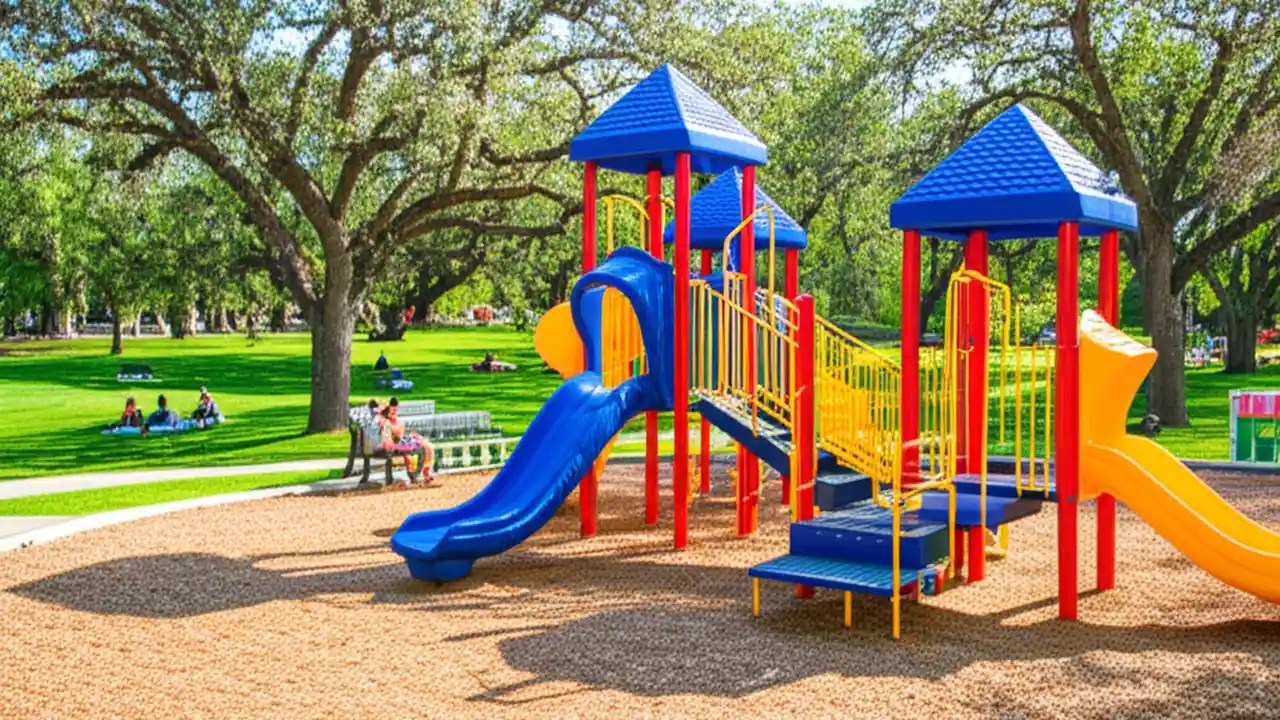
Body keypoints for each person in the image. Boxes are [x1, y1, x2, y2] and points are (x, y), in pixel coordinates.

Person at [379, 397, 431, 485]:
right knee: (415, 448)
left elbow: (399, 434)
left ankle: (419, 474)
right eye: (393, 410)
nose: (395, 412)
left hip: (397, 443)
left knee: (422, 446)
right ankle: (415, 475)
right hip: (391, 444)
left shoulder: (396, 421)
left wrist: (405, 437)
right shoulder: (386, 422)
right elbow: (389, 437)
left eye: (396, 409)